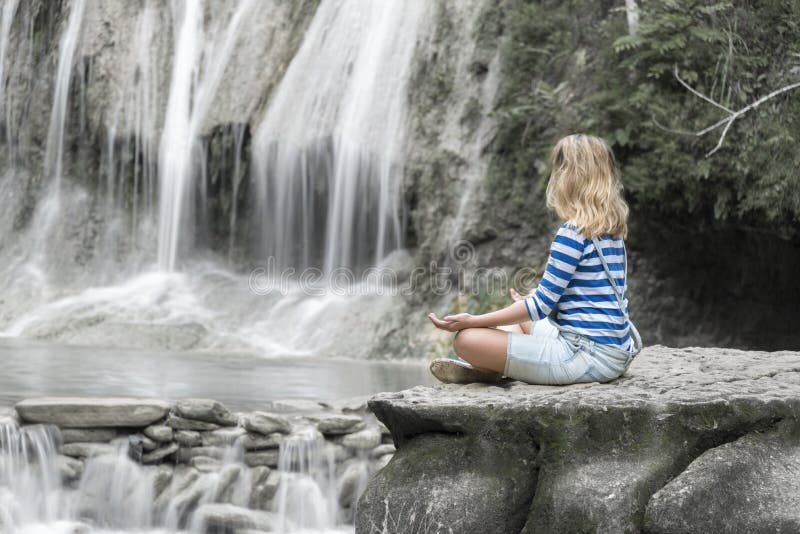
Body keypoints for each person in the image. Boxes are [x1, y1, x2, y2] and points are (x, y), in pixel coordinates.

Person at [428, 134, 642, 385]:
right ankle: (492, 365)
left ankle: (489, 367)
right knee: (519, 321)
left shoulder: (573, 233)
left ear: (567, 176)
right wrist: (533, 301)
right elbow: (584, 300)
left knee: (466, 339)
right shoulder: (612, 232)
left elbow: (540, 307)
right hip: (614, 352)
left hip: (584, 357)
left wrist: (474, 320)